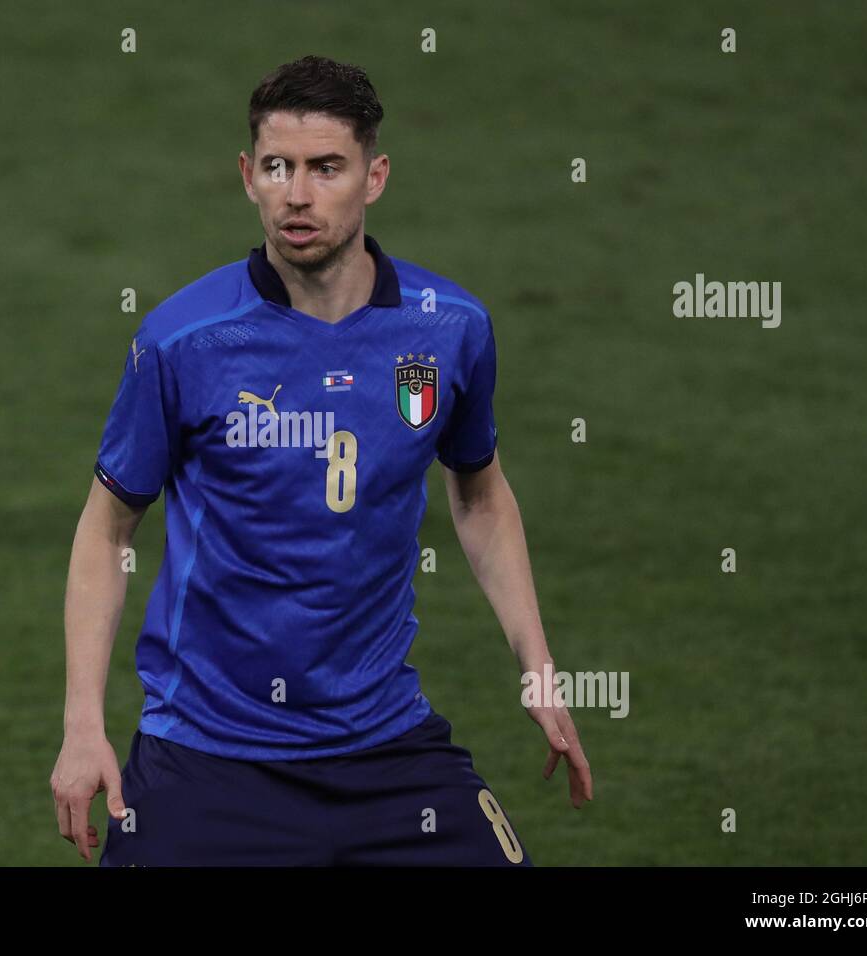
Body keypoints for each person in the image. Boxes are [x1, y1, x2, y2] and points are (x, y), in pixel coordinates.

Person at [50, 54, 592, 866]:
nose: (297, 194)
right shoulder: (184, 341)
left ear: (374, 177)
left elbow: (479, 496)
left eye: (325, 168)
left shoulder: (446, 331)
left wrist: (538, 665)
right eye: (278, 167)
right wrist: (82, 725)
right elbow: (107, 529)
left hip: (383, 753)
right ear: (247, 175)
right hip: (208, 758)